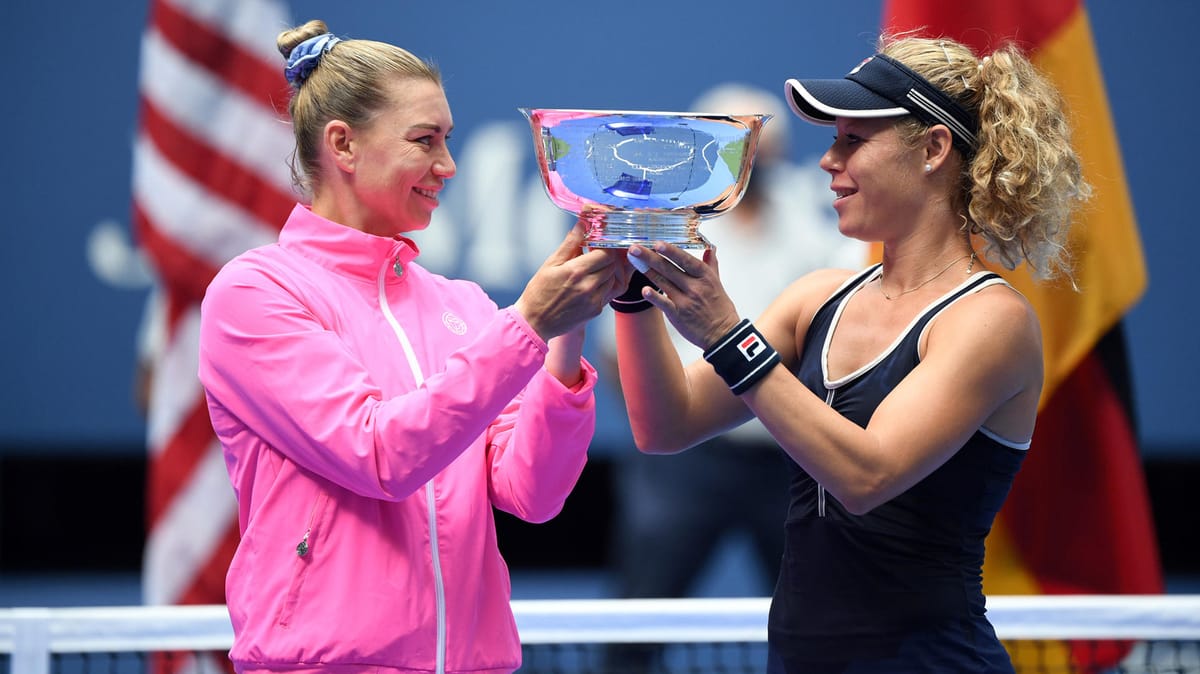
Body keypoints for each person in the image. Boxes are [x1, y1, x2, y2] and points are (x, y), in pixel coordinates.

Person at [610, 34, 1089, 673]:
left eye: (852, 141)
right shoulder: (817, 298)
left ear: (933, 148)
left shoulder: (990, 321)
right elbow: (664, 427)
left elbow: (868, 478)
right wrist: (635, 290)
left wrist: (727, 337)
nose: (827, 161)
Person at [197, 20, 629, 674]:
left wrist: (567, 330)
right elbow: (378, 454)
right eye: (424, 141)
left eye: (448, 141)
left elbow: (533, 493)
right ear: (342, 144)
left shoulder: (462, 305)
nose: (447, 167)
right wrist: (530, 324)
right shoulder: (254, 293)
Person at [600, 82, 864, 671]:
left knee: (813, 620)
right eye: (738, 149)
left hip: (785, 457)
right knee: (637, 622)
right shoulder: (662, 227)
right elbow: (616, 352)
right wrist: (666, 414)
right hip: (683, 466)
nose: (755, 163)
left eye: (764, 150)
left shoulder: (817, 233)